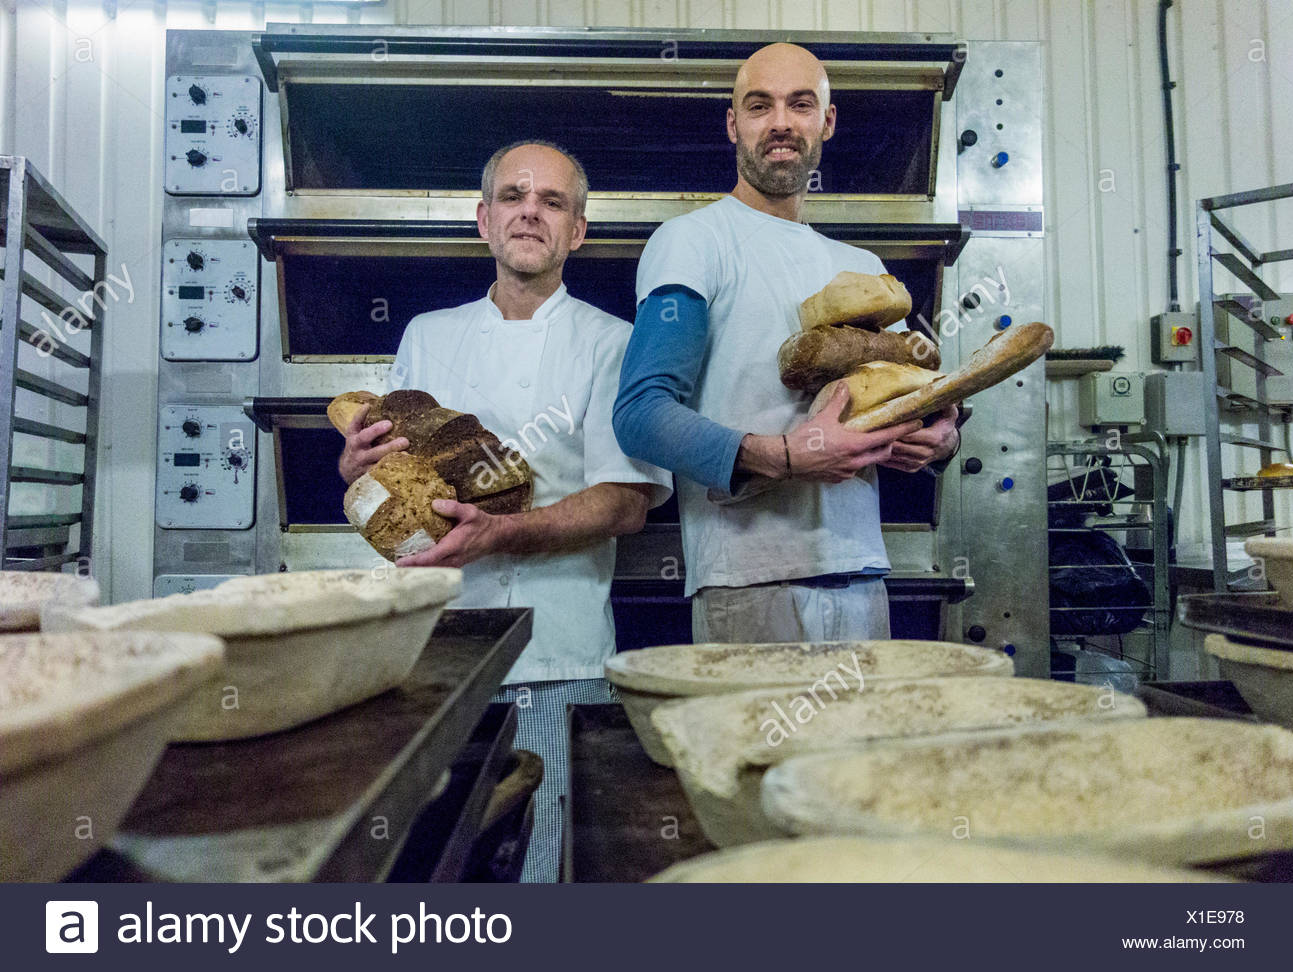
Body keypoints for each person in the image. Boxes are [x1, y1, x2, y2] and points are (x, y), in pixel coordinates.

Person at [338, 141, 671, 883]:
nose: (531, 211)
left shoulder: (614, 344)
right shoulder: (427, 335)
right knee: (432, 865)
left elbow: (625, 503)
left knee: (544, 864)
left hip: (564, 652)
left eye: (552, 201)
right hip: (438, 656)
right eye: (515, 196)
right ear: (484, 220)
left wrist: (503, 532)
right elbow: (391, 490)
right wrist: (355, 472)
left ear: (577, 232)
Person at [613, 43, 959, 645]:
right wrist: (784, 456)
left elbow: (918, 399)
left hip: (863, 574)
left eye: (801, 105)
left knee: (860, 745)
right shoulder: (693, 242)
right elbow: (641, 415)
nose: (780, 123)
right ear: (733, 125)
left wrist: (943, 438)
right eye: (759, 106)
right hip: (750, 581)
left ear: (826, 121)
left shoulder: (861, 268)